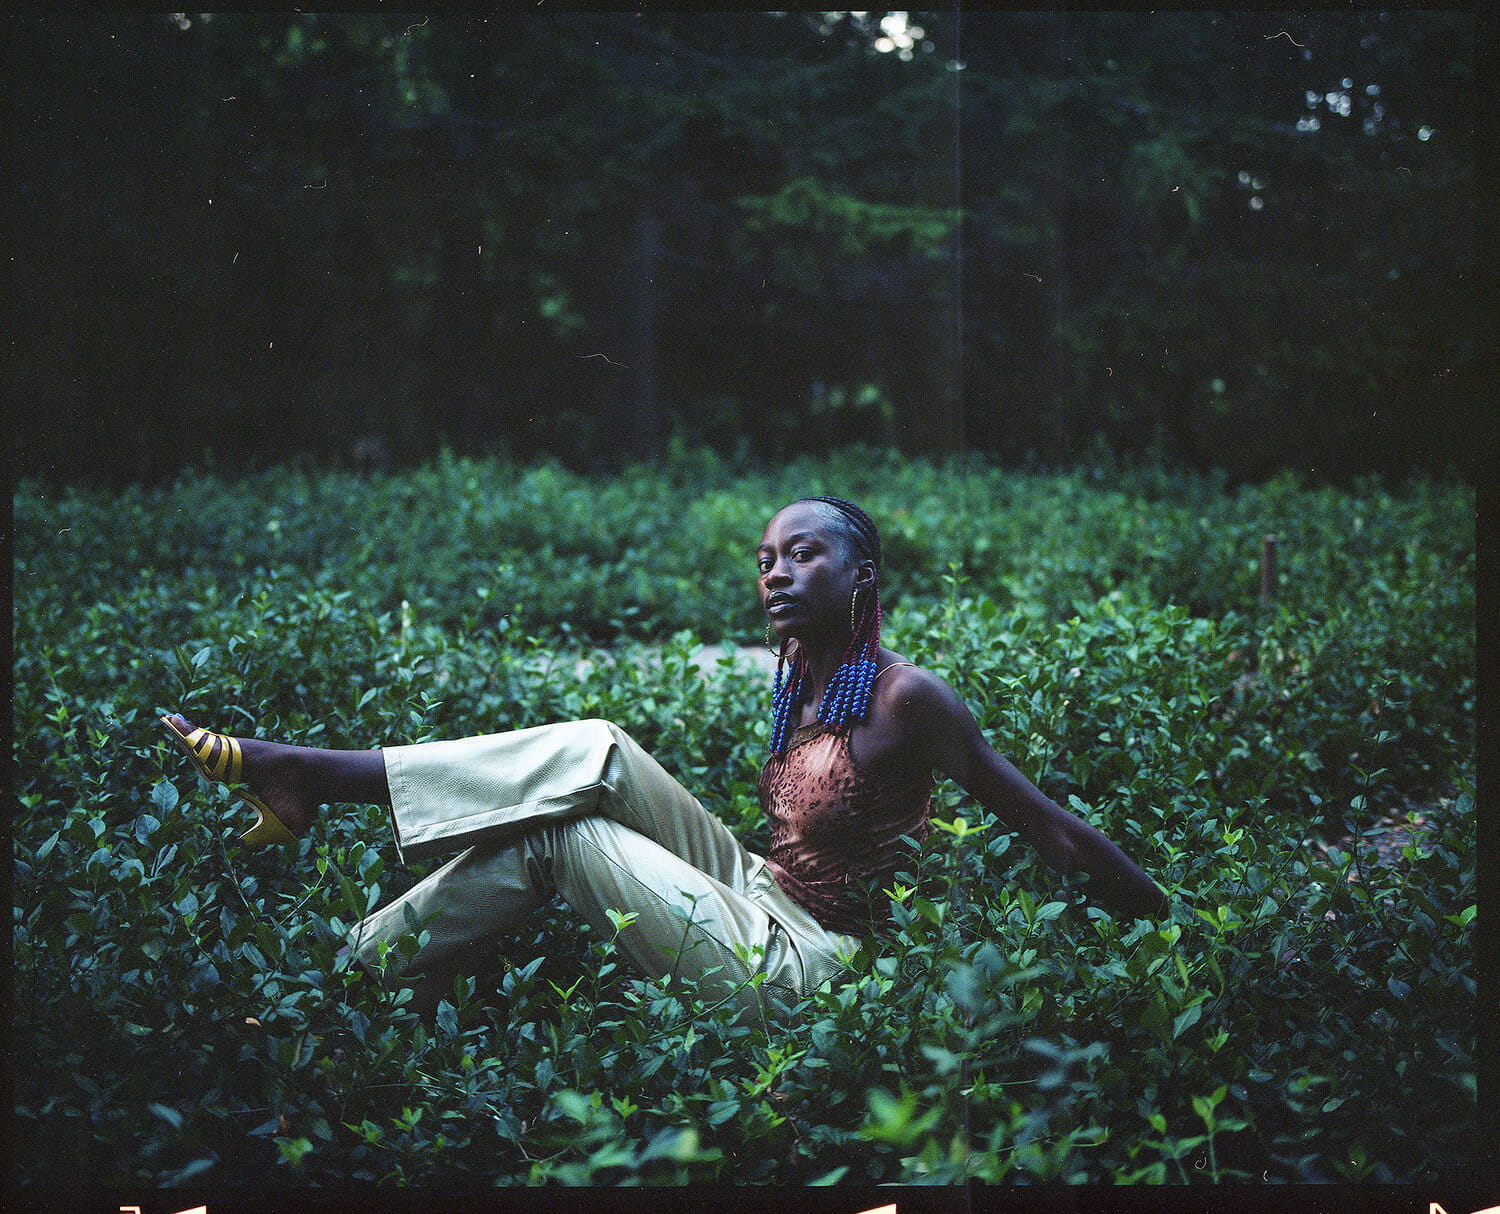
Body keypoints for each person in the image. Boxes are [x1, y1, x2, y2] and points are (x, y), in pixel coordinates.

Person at [160, 496, 1165, 1024]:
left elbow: (1045, 822)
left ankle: (318, 783)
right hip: (758, 890)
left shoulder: (910, 696)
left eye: (804, 554)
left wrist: (1173, 928)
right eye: (767, 557)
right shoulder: (805, 676)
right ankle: (342, 975)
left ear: (863, 574)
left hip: (813, 963)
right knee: (595, 747)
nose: (776, 571)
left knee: (571, 830)